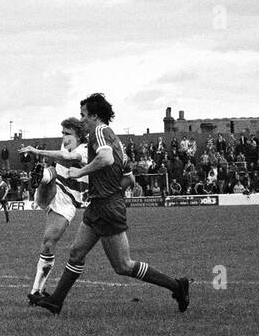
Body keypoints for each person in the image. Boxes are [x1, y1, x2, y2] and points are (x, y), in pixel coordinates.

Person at [30, 93, 190, 316]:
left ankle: (177, 285)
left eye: (84, 115)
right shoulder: (113, 138)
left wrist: (82, 172)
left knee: (123, 265)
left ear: (95, 115)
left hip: (106, 207)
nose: (82, 119)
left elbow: (106, 159)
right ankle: (56, 301)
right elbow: (129, 179)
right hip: (100, 205)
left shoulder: (99, 132)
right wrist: (109, 190)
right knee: (76, 252)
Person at [20, 117, 89, 299]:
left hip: (68, 199)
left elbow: (67, 157)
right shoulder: (65, 144)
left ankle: (36, 291)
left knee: (48, 243)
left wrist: (37, 150)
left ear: (79, 136)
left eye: (68, 134)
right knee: (51, 173)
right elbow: (60, 161)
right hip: (54, 183)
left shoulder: (85, 149)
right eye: (63, 133)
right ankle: (41, 175)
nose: (65, 137)